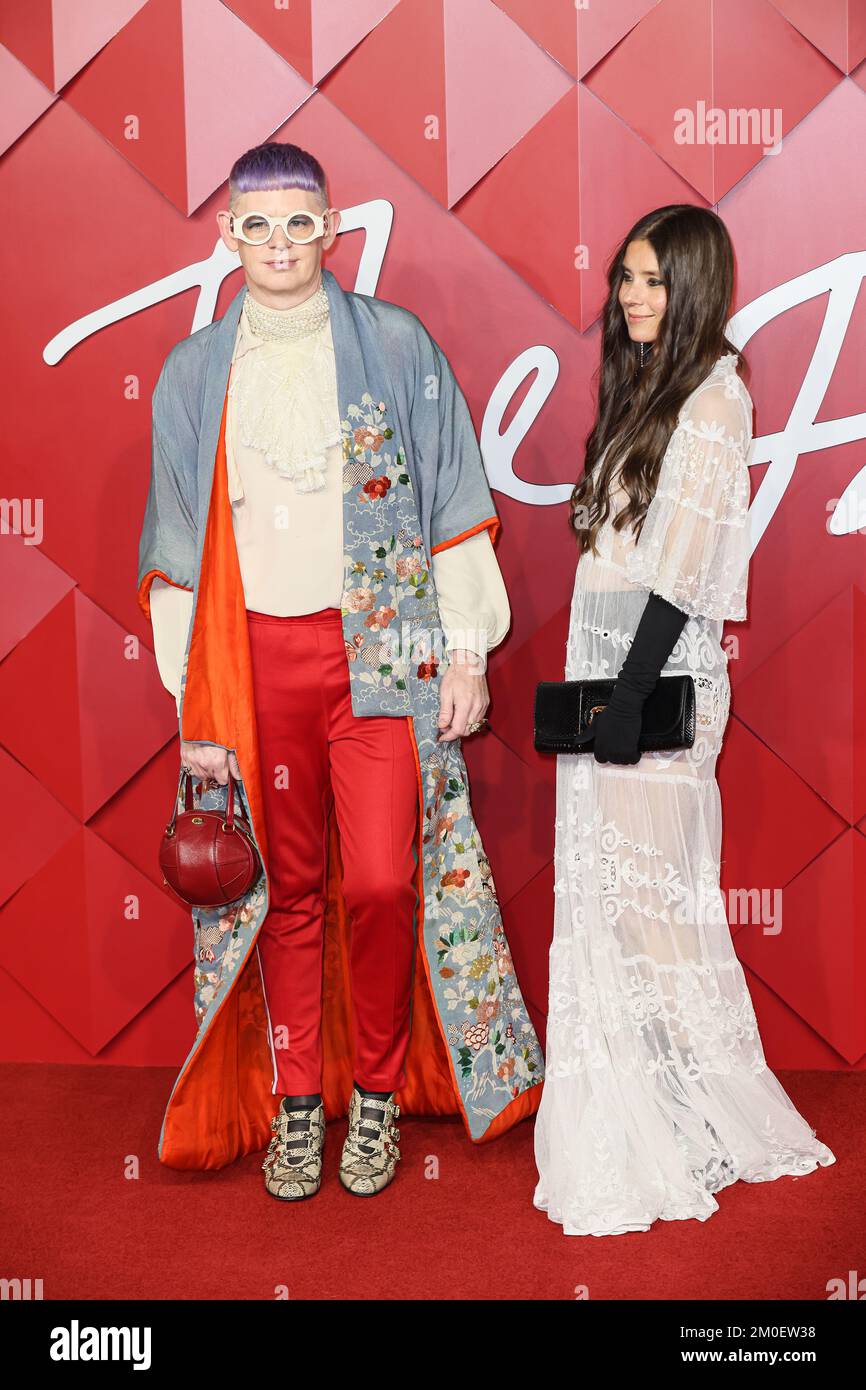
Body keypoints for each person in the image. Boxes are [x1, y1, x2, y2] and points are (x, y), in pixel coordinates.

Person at [137, 140, 543, 1199]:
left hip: (383, 648)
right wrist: (194, 697)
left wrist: (465, 651)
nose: (278, 243)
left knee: (380, 879)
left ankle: (375, 1093)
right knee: (286, 891)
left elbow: (451, 498)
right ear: (227, 235)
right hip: (250, 658)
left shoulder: (397, 344)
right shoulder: (192, 373)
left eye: (298, 223)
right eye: (257, 225)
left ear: (330, 228)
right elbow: (174, 543)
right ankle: (298, 1105)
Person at [532, 204, 835, 1236]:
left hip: (652, 679)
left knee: (656, 906)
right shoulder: (647, 384)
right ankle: (657, 1103)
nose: (632, 296)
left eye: (654, 280)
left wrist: (627, 697)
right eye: (625, 276)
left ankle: (700, 1112)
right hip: (608, 666)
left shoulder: (713, 397)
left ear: (696, 285)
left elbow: (685, 568)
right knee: (617, 901)